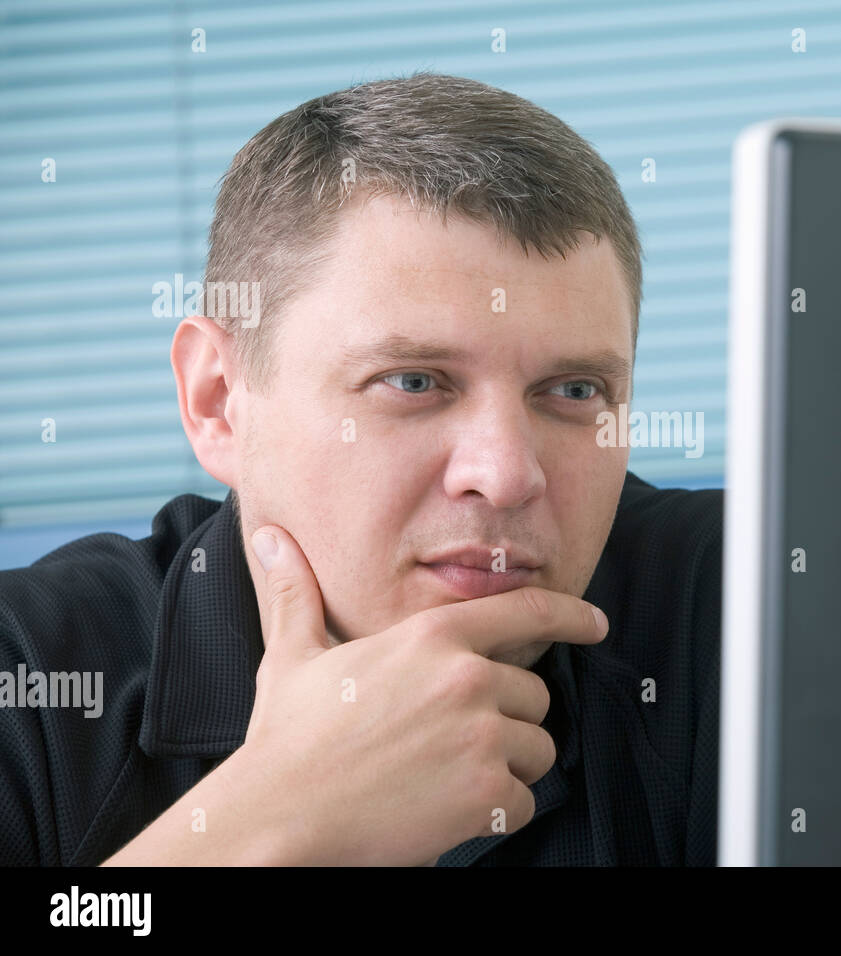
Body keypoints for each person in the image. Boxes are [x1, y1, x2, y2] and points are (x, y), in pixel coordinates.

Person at [0, 73, 722, 866]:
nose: (508, 475)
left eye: (575, 391)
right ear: (217, 402)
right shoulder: (31, 681)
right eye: (413, 382)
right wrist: (275, 818)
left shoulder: (738, 609)